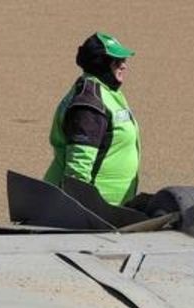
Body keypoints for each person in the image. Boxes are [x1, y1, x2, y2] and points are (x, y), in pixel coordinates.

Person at [44, 32, 141, 207]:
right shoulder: (89, 103)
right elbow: (78, 166)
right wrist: (76, 210)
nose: (124, 66)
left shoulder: (106, 92)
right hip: (90, 211)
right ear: (102, 64)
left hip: (106, 209)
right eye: (117, 61)